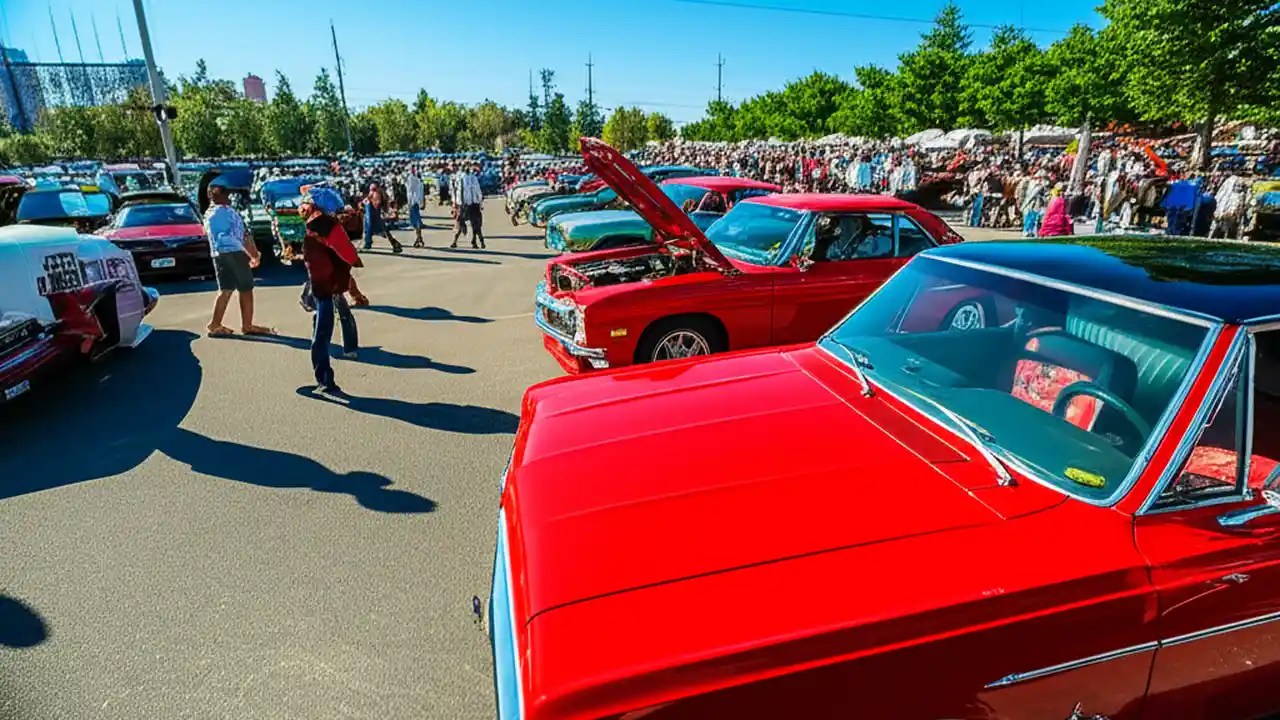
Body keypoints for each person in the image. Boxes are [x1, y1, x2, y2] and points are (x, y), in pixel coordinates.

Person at [299, 187, 360, 392]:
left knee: (321, 329)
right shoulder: (327, 225)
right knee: (322, 332)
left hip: (319, 281)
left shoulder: (312, 223)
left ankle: (324, 377)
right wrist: (355, 261)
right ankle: (325, 379)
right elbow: (345, 252)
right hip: (327, 283)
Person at [204, 178, 272, 337]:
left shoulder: (209, 214)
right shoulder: (229, 212)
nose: (229, 196)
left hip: (218, 253)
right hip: (234, 253)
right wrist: (254, 255)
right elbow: (244, 236)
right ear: (220, 195)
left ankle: (215, 323)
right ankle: (247, 325)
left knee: (225, 289)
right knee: (246, 289)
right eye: (226, 193)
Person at [362, 182, 402, 253]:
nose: (371, 190)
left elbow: (378, 204)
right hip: (375, 215)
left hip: (375, 215)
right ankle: (395, 244)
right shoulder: (379, 194)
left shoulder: (377, 194)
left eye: (373, 189)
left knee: (373, 228)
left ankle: (368, 244)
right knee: (383, 229)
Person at [453, 163, 485, 249]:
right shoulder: (460, 178)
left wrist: (480, 201)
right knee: (460, 224)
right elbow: (458, 192)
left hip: (474, 203)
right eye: (465, 166)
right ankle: (455, 241)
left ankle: (477, 241)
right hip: (464, 204)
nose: (467, 168)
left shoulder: (473, 178)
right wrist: (456, 203)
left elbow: (478, 190)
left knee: (476, 224)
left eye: (468, 166)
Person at [405, 166, 426, 247]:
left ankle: (419, 238)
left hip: (413, 202)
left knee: (416, 222)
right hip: (415, 201)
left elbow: (410, 191)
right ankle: (419, 238)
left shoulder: (413, 179)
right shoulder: (417, 180)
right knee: (416, 222)